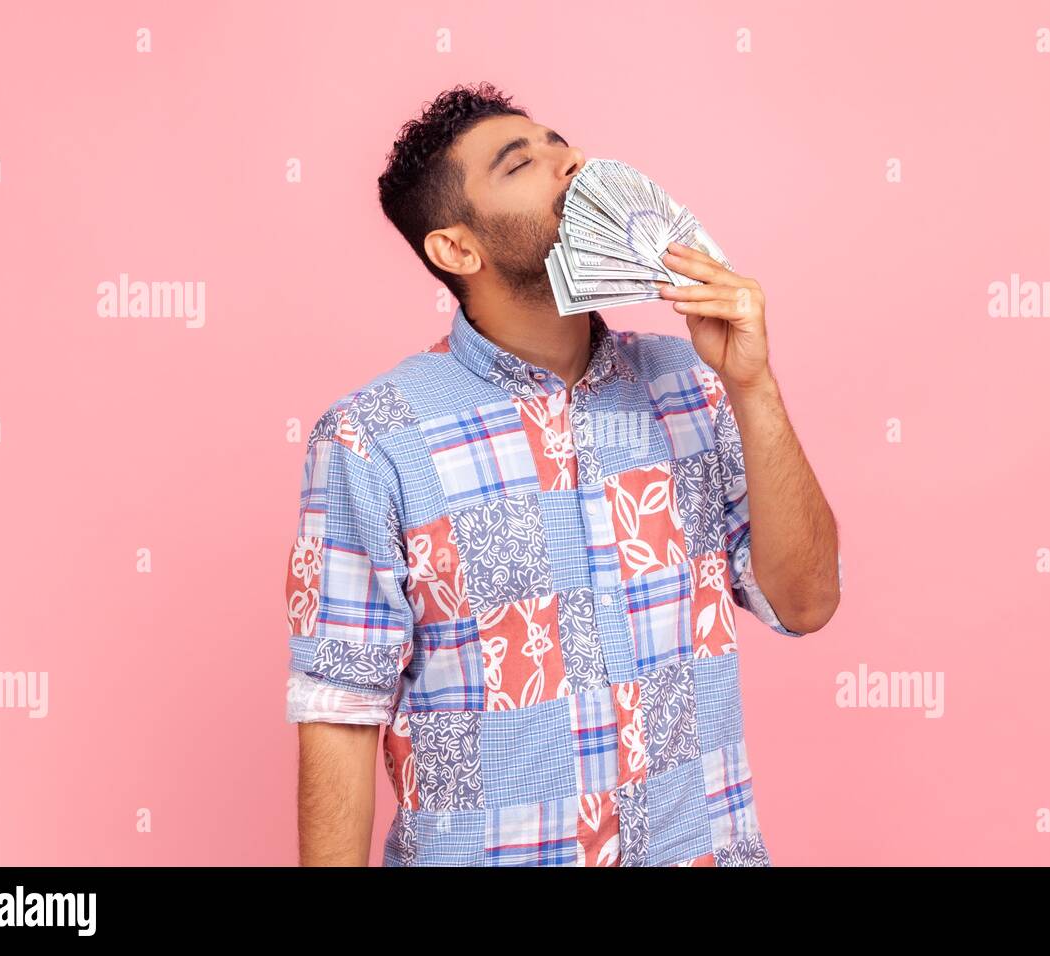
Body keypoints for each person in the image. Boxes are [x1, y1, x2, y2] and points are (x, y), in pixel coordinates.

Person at [285, 82, 841, 867]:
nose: (569, 162)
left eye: (559, 143)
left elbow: (808, 602)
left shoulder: (691, 380)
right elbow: (340, 712)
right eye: (522, 163)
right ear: (456, 249)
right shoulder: (371, 440)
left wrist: (755, 384)